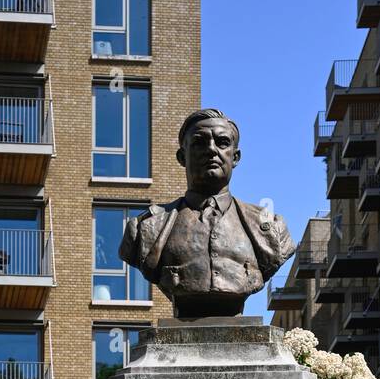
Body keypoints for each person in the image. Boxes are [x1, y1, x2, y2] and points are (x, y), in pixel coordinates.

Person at [119, 109, 295, 319]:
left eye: (222, 142)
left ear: (235, 157)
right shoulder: (147, 227)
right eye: (199, 143)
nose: (211, 149)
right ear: (182, 157)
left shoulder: (270, 227)